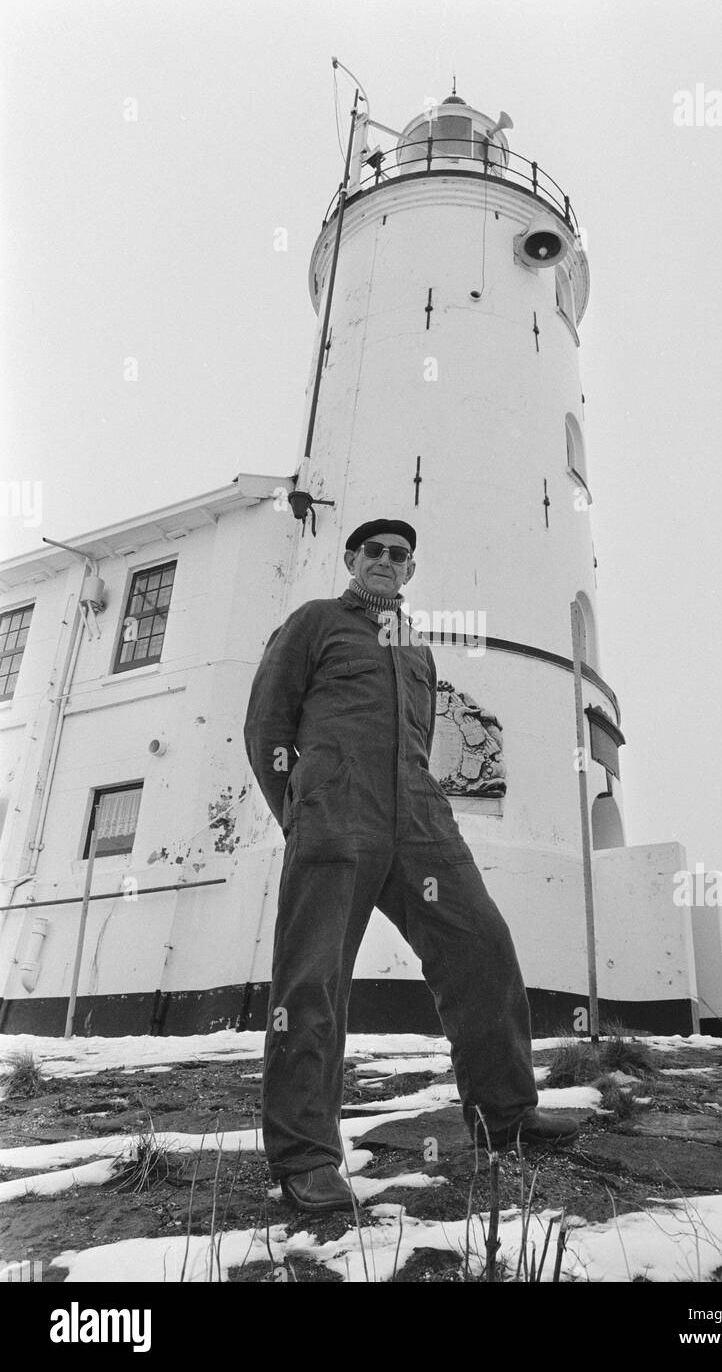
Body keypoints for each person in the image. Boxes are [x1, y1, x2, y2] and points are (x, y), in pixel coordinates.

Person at [243, 518, 579, 1213]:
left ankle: (505, 1117)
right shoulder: (313, 624)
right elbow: (266, 728)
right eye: (374, 552)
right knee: (313, 983)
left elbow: (420, 740)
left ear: (411, 569)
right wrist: (305, 808)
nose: (386, 562)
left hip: (421, 821)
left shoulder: (418, 650)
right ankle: (306, 1159)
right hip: (336, 818)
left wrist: (413, 801)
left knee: (482, 948)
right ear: (351, 559)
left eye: (399, 555)